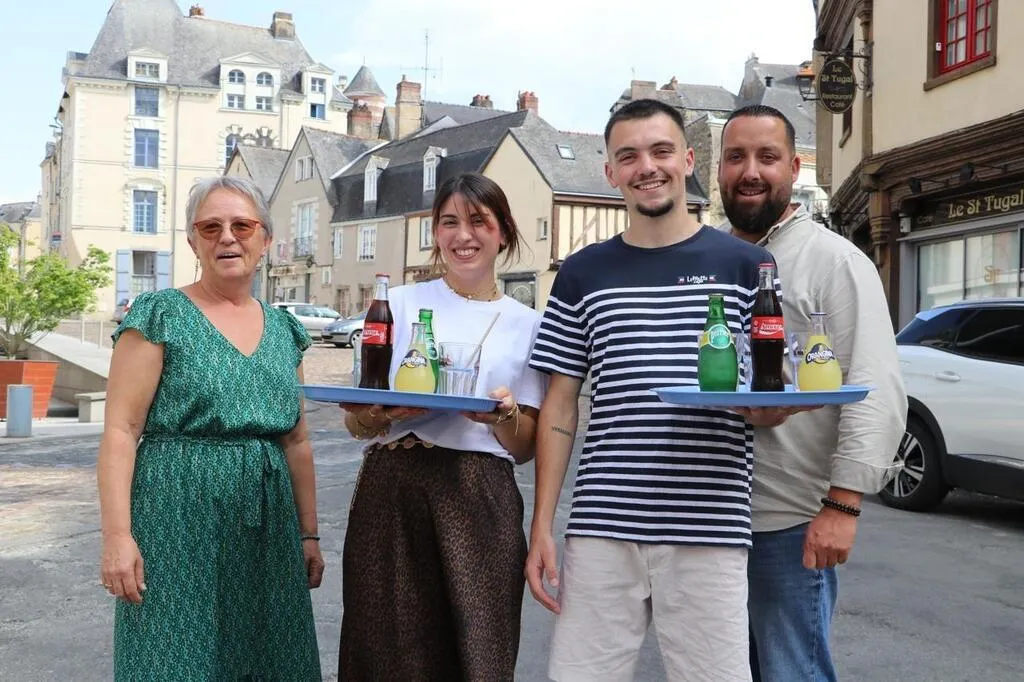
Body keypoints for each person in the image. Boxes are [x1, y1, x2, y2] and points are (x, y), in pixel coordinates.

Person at [526, 98, 784, 682]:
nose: (648, 166)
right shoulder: (582, 272)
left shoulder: (747, 266)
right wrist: (543, 525)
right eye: (629, 155)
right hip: (601, 526)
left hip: (709, 528)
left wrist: (773, 406)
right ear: (610, 172)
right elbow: (560, 405)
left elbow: (768, 405)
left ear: (689, 160)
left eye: (661, 150)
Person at [96, 176, 323, 680]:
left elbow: (297, 440)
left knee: (267, 659)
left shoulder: (286, 330)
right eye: (210, 226)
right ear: (192, 240)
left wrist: (309, 535)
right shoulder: (160, 315)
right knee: (173, 658)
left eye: (241, 225)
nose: (227, 237)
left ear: (264, 239)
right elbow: (120, 431)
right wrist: (117, 536)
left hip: (268, 526)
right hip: (174, 523)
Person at [718, 104, 907, 681]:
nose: (751, 171)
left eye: (767, 157)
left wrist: (843, 504)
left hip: (788, 521)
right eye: (736, 157)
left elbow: (876, 389)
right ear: (718, 170)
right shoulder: (712, 260)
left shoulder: (835, 261)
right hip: (708, 518)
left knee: (789, 672)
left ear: (793, 167)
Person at [338, 172, 547, 680]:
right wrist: (384, 415)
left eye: (478, 221)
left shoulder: (530, 325)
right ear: (435, 233)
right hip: (393, 489)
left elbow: (524, 447)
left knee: (478, 648)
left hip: (479, 494)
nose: (463, 235)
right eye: (449, 222)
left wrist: (502, 417)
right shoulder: (400, 304)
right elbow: (355, 420)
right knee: (385, 650)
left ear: (504, 232)